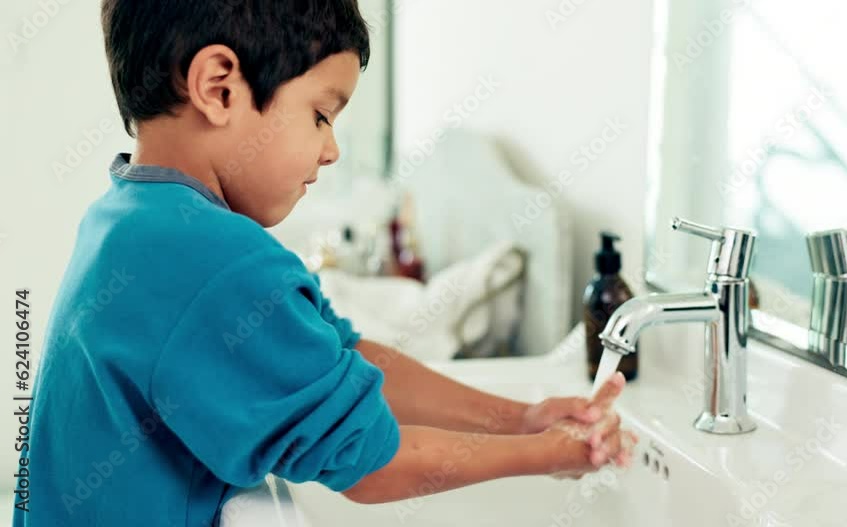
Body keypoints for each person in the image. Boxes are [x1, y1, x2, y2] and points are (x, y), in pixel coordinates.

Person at [13, 1, 633, 525]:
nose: (332, 149)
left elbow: (346, 359)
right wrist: (549, 454)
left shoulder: (126, 215)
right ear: (219, 86)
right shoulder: (214, 257)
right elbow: (373, 463)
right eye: (320, 114)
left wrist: (520, 420)